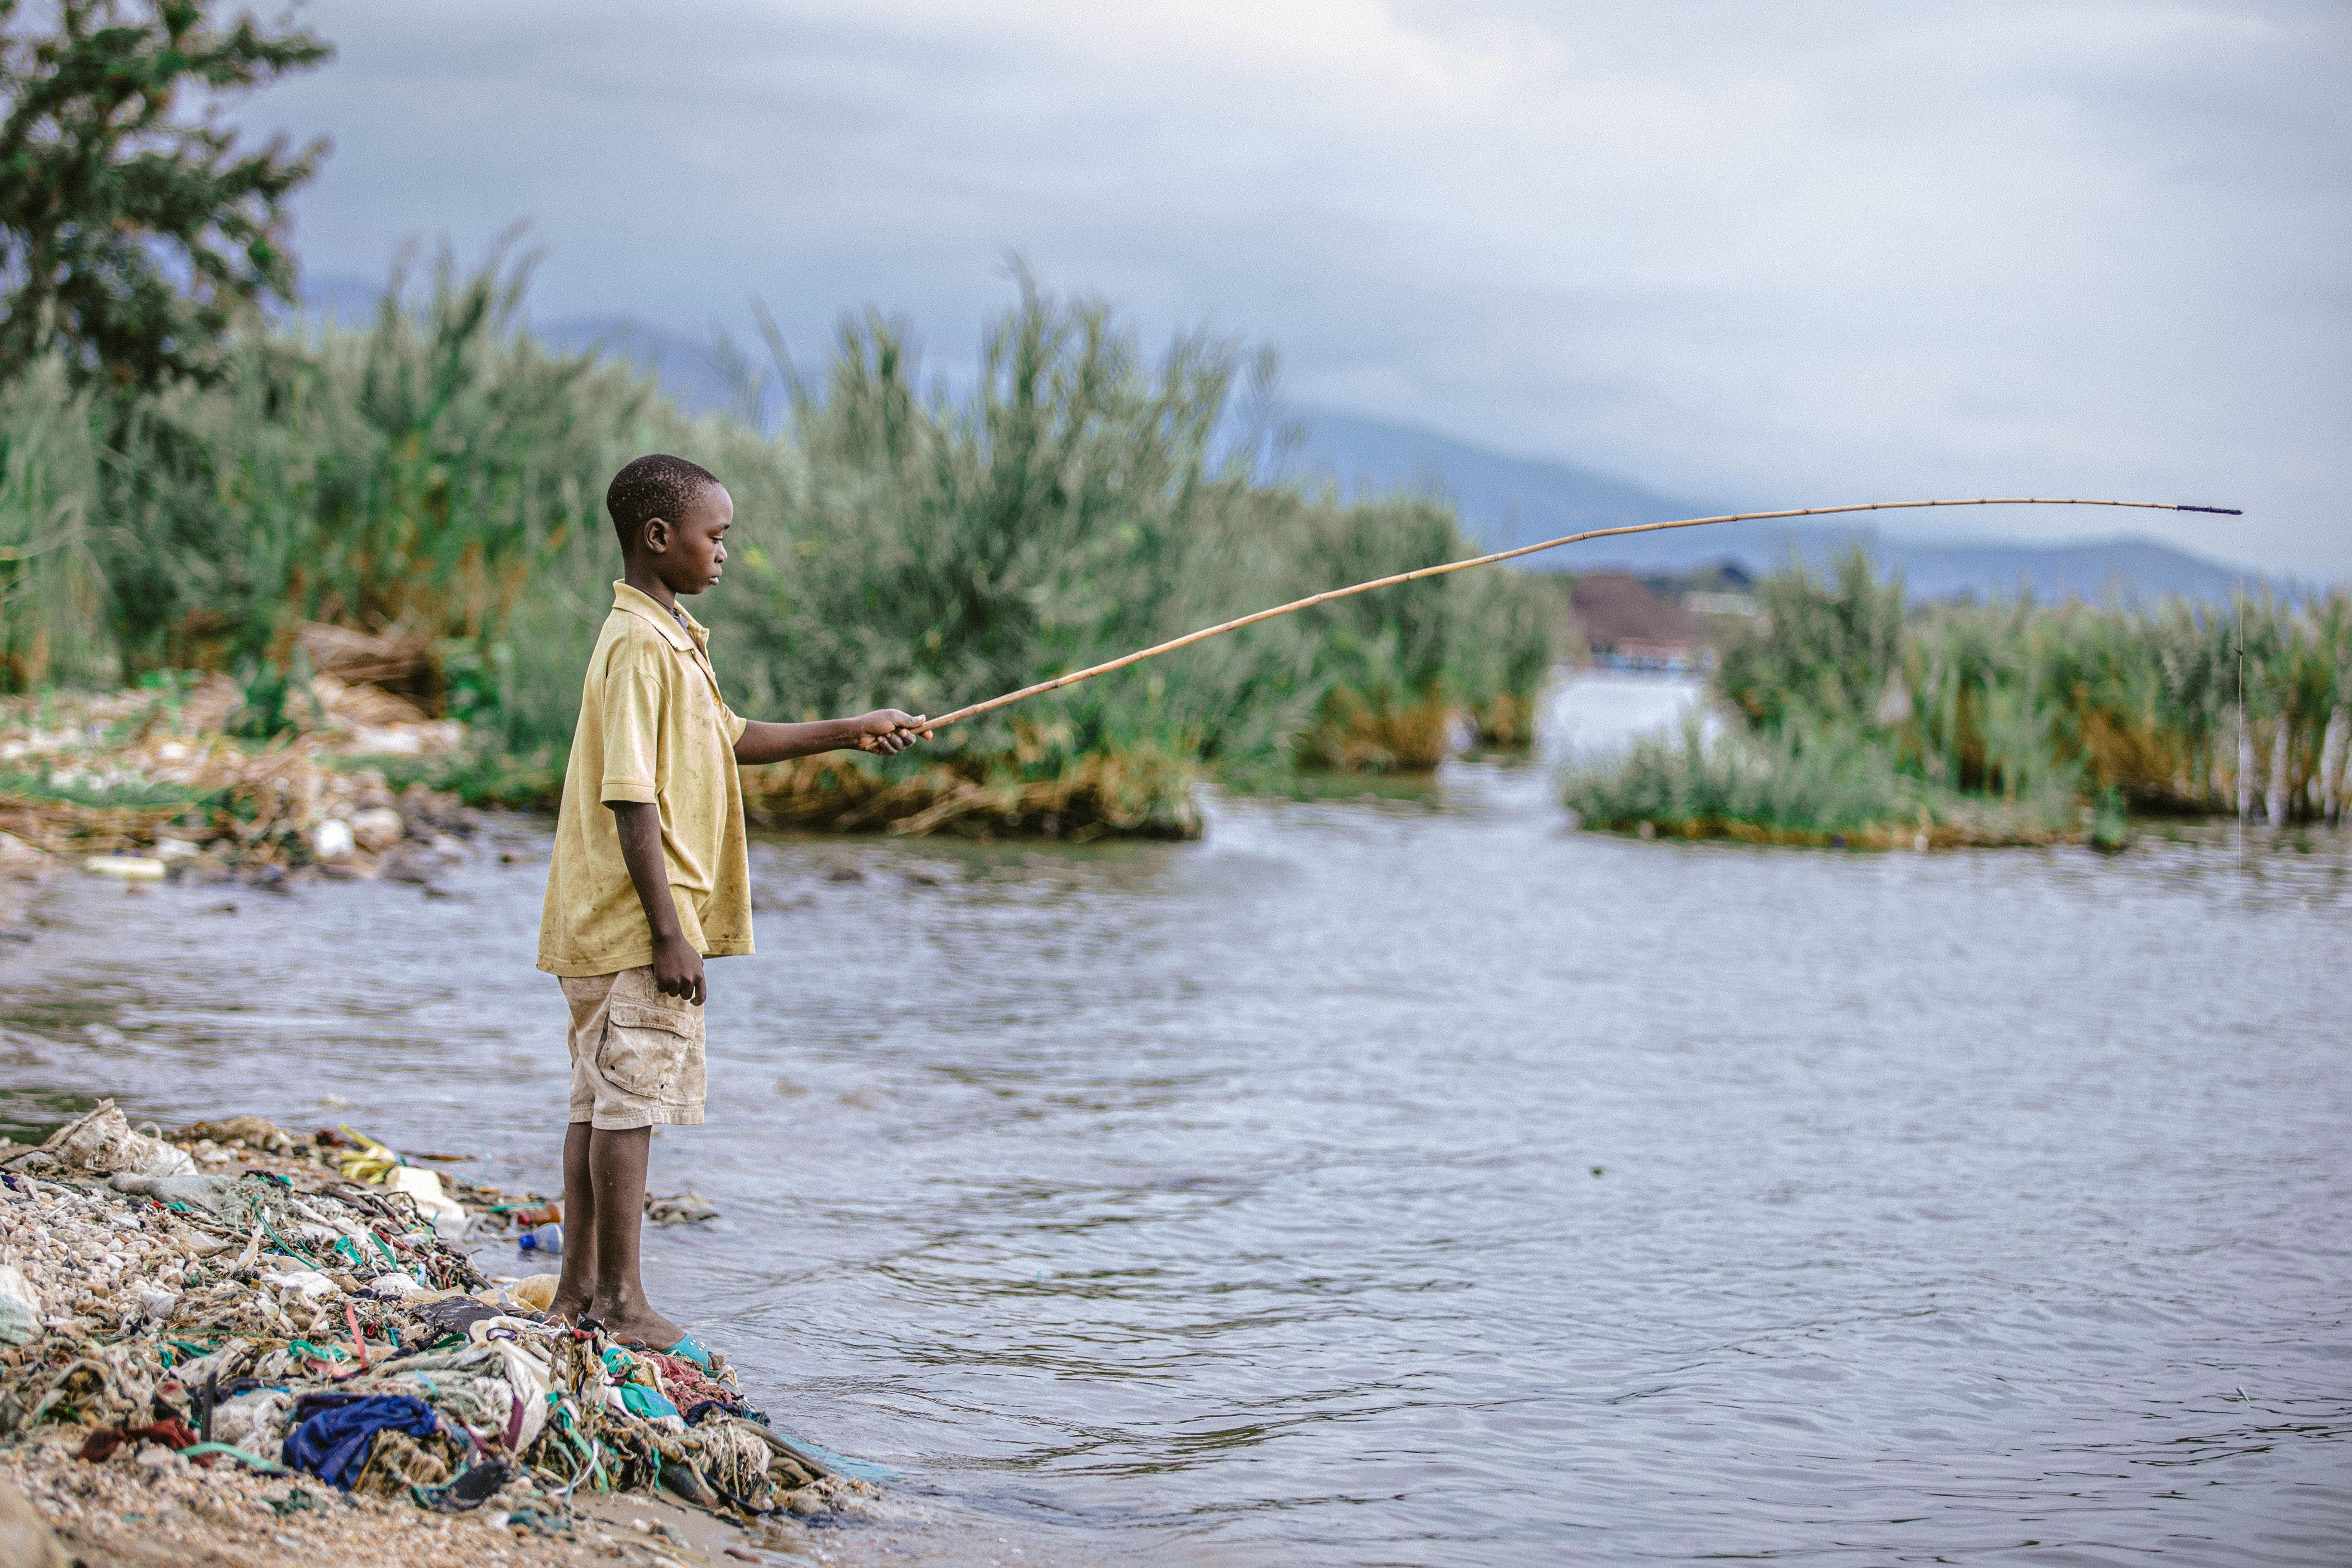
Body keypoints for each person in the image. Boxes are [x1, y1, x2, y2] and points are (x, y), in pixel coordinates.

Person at [535, 453, 928, 1364]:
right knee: (626, 1107)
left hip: (617, 921)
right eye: (716, 537)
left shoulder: (671, 635)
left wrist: (850, 729)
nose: (725, 554)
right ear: (659, 538)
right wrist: (671, 932)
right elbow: (631, 797)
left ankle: (578, 1296)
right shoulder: (637, 646)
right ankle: (621, 1303)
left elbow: (735, 736)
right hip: (633, 924)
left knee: (602, 1101)